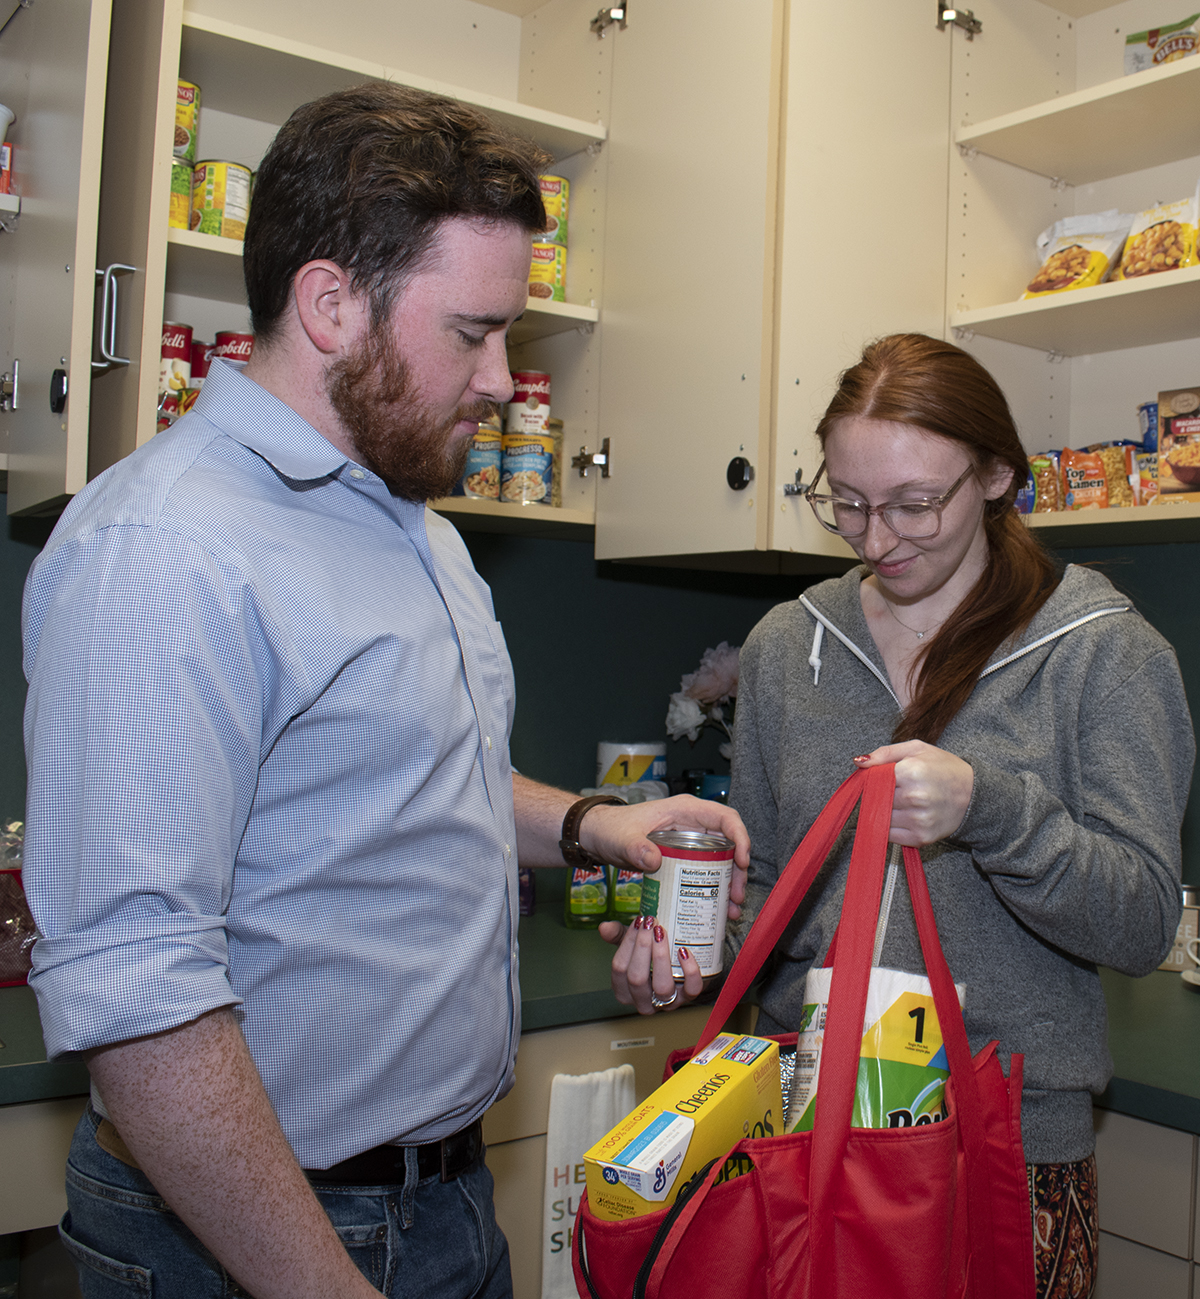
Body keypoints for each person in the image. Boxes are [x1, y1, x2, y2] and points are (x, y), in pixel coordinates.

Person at [21, 84, 748, 1299]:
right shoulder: (167, 551)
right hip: (262, 1237)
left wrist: (586, 824)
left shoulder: (413, 523)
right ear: (330, 303)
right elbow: (139, 1000)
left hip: (444, 1203)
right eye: (471, 332)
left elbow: (412, 768)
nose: (506, 379)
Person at [610, 333, 1194, 1299]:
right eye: (845, 501)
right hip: (799, 1130)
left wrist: (992, 809)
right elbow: (767, 897)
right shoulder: (787, 643)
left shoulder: (1105, 655)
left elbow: (1138, 924)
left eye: (915, 504)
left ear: (999, 475)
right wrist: (690, 945)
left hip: (1003, 1147)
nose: (878, 539)